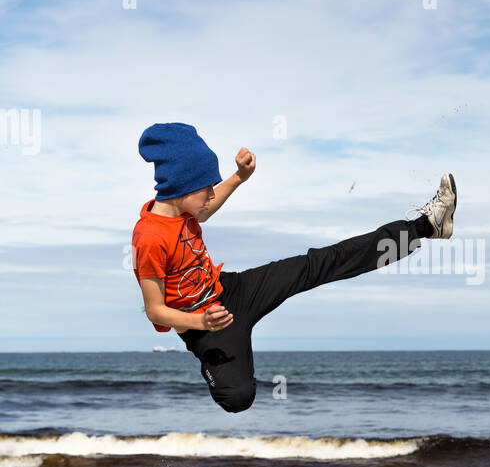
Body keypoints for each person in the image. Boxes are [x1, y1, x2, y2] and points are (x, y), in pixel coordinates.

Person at [131, 123, 456, 413]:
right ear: (183, 186)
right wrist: (200, 321)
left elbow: (202, 212)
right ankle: (216, 366)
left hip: (230, 291)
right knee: (237, 398)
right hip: (201, 324)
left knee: (316, 264)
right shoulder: (150, 238)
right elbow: (155, 311)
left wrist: (240, 178)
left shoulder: (185, 208)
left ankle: (426, 226)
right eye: (207, 187)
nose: (212, 194)